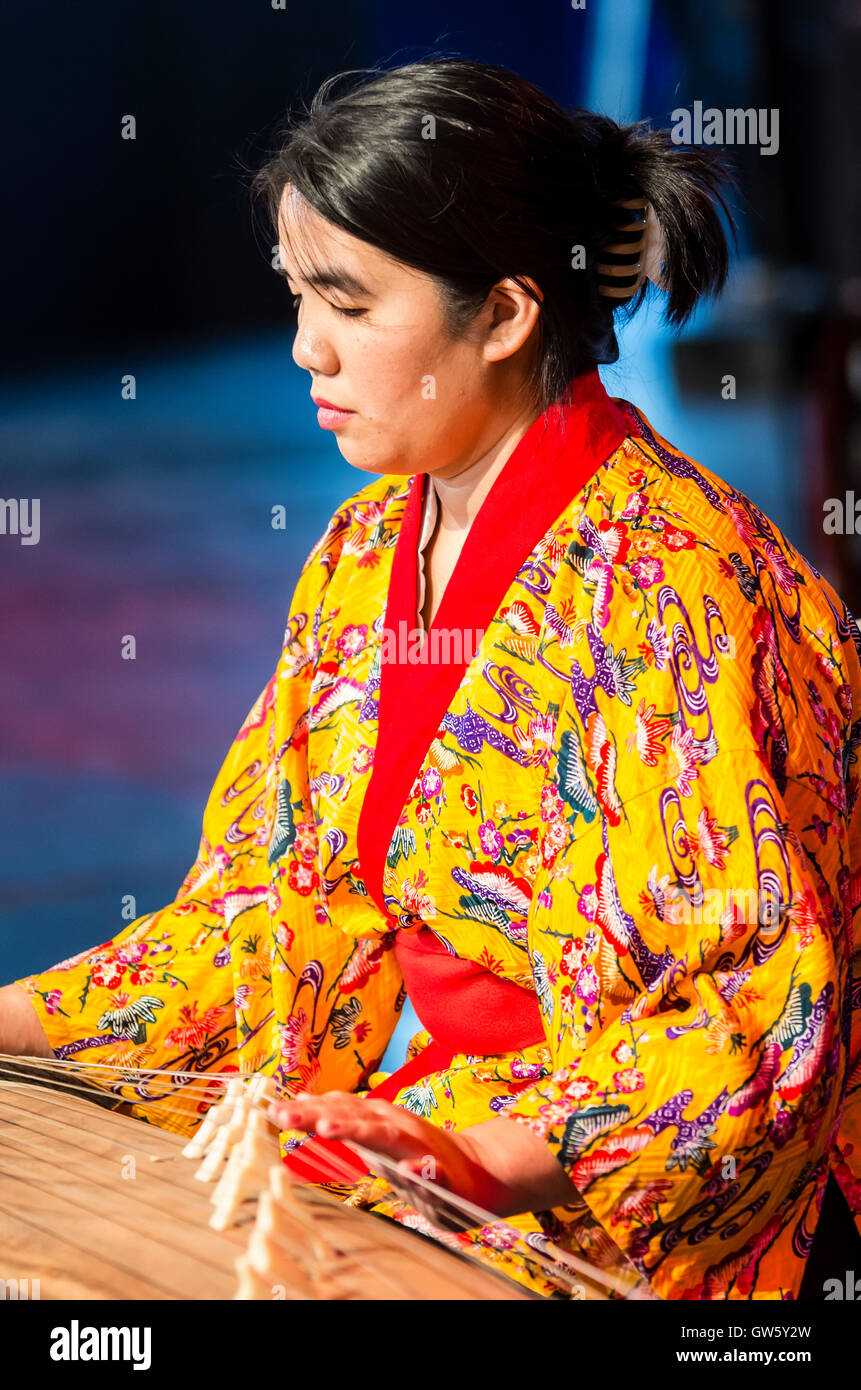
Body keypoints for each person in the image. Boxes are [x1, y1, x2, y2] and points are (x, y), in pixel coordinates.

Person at [3, 56, 860, 1302]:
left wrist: (483, 1157)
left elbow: (761, 1011)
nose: (306, 348)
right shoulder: (365, 550)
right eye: (298, 295)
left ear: (507, 314)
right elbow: (274, 918)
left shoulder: (675, 585)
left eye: (349, 304)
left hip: (635, 1208)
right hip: (442, 1143)